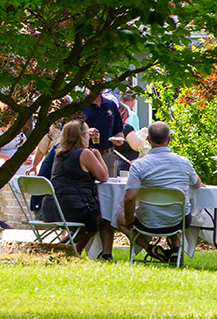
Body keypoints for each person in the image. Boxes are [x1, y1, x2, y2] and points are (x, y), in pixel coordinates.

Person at [101, 121, 203, 262]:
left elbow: (130, 197)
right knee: (175, 210)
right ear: (169, 140)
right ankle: (175, 248)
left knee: (120, 219)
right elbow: (197, 183)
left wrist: (129, 219)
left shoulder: (139, 165)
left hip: (147, 221)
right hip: (178, 221)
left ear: (148, 140)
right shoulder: (183, 162)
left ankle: (150, 248)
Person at [41, 120, 108, 253]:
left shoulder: (58, 154)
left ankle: (67, 251)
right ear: (82, 136)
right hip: (72, 208)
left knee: (90, 222)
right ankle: (63, 248)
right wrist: (98, 155)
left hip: (51, 207)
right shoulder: (85, 154)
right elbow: (103, 177)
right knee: (102, 219)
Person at [80, 89, 123, 178]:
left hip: (107, 154)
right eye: (95, 80)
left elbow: (118, 130)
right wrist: (86, 132)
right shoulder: (79, 104)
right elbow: (67, 130)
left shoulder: (110, 104)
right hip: (85, 154)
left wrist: (119, 139)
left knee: (109, 186)